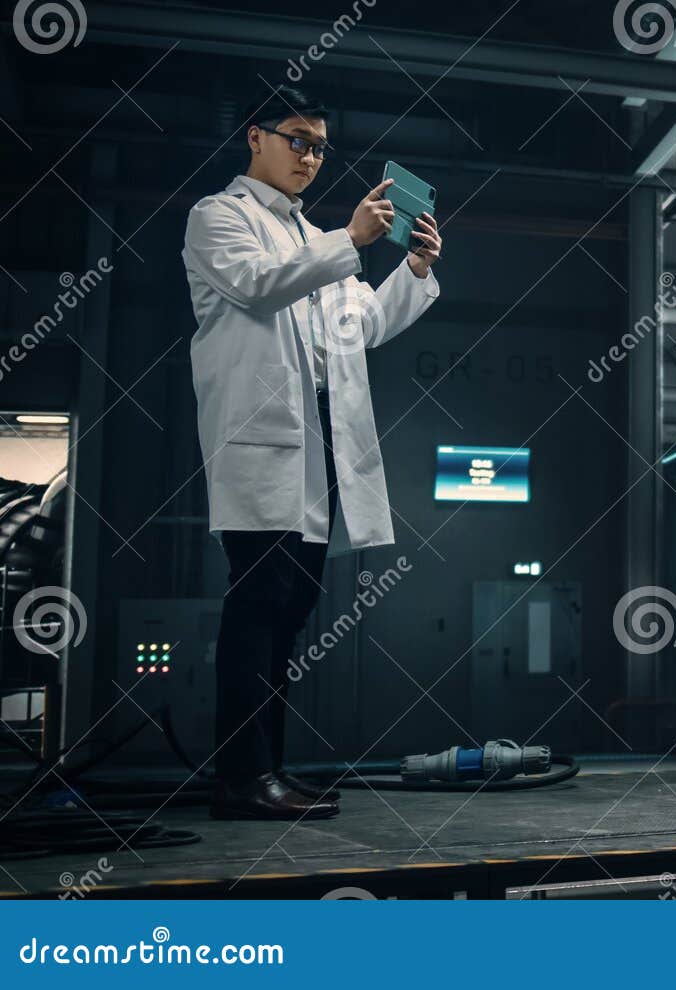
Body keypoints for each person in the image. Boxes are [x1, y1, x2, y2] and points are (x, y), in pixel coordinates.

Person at [181, 87, 443, 820]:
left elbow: (359, 327)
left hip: (317, 447)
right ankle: (240, 778)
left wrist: (413, 271)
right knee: (258, 602)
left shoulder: (312, 237)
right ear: (255, 137)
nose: (311, 157)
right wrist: (351, 241)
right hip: (263, 446)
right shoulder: (218, 218)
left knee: (291, 607)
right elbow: (256, 287)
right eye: (298, 140)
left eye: (320, 147)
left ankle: (268, 771)